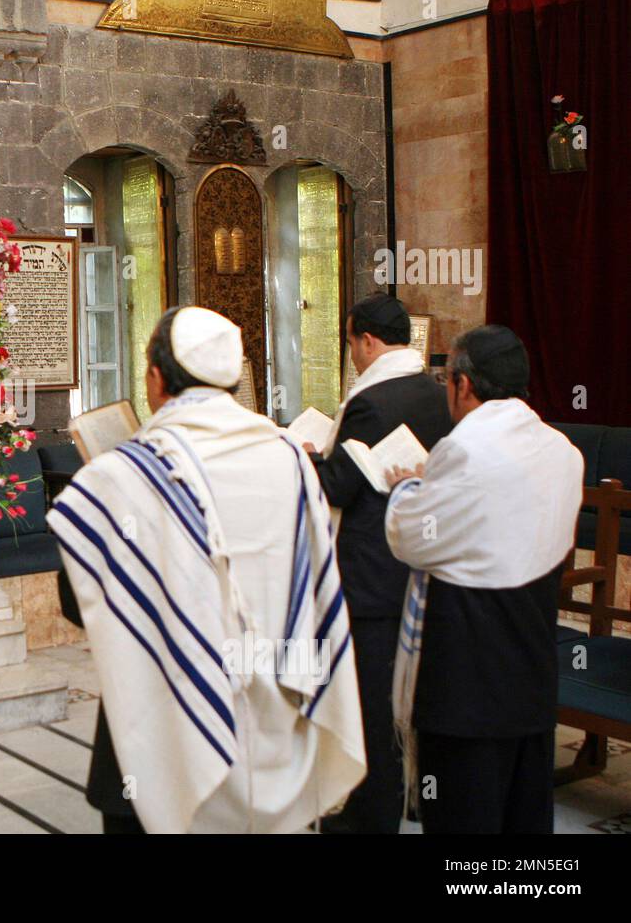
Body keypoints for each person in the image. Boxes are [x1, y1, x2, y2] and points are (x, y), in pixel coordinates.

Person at [48, 307, 366, 833]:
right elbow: (313, 578)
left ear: (154, 378)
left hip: (160, 715)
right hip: (273, 726)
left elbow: (77, 600)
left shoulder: (129, 473)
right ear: (233, 378)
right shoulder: (288, 455)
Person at [385, 325, 582, 834]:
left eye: (445, 378)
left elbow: (411, 540)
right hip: (532, 676)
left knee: (464, 822)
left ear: (464, 384)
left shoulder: (465, 449)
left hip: (466, 686)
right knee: (523, 819)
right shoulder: (563, 450)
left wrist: (408, 489)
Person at [305, 294, 453, 834]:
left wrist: (306, 457)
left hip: (371, 573)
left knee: (370, 701)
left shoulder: (371, 401)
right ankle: (411, 796)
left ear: (366, 341)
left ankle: (370, 817)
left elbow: (339, 485)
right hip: (419, 565)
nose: (353, 357)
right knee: (406, 697)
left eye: (351, 344)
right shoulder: (434, 393)